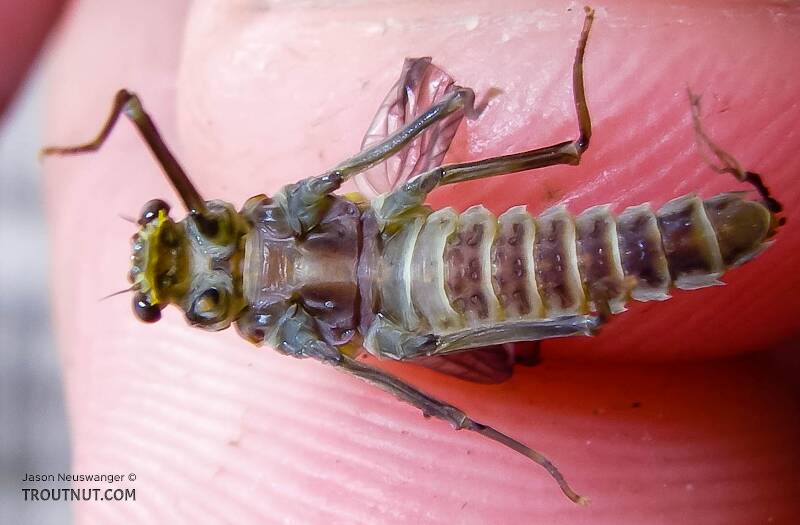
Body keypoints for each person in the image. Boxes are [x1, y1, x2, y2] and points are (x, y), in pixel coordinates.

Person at [19, 0, 800, 522]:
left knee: (549, 290)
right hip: (411, 289)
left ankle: (618, 186)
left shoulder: (280, 271)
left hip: (413, 290)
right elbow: (137, 107)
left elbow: (133, 107)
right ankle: (627, 190)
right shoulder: (282, 246)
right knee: (474, 254)